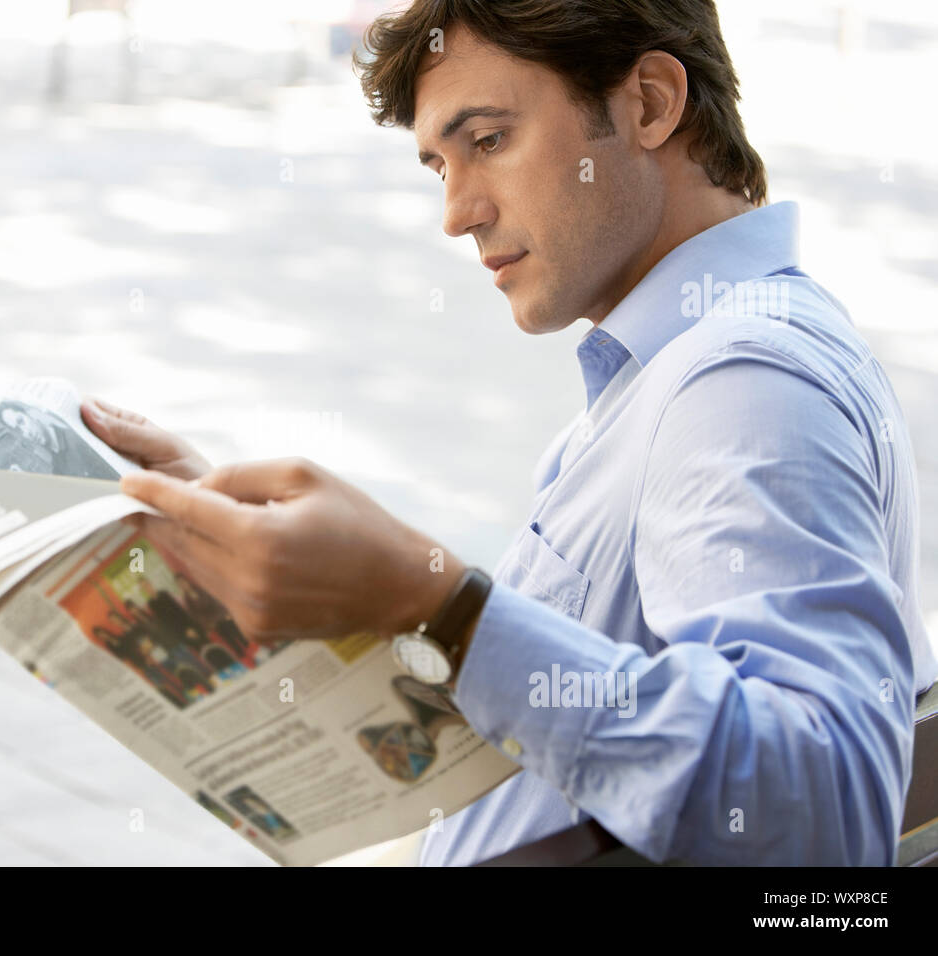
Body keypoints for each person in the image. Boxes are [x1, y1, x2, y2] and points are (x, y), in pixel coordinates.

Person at [79, 1, 938, 865]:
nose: (456, 213)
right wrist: (318, 572)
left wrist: (437, 607)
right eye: (438, 166)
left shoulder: (741, 385)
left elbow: (826, 808)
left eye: (487, 140)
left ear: (648, 103)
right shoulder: (677, 359)